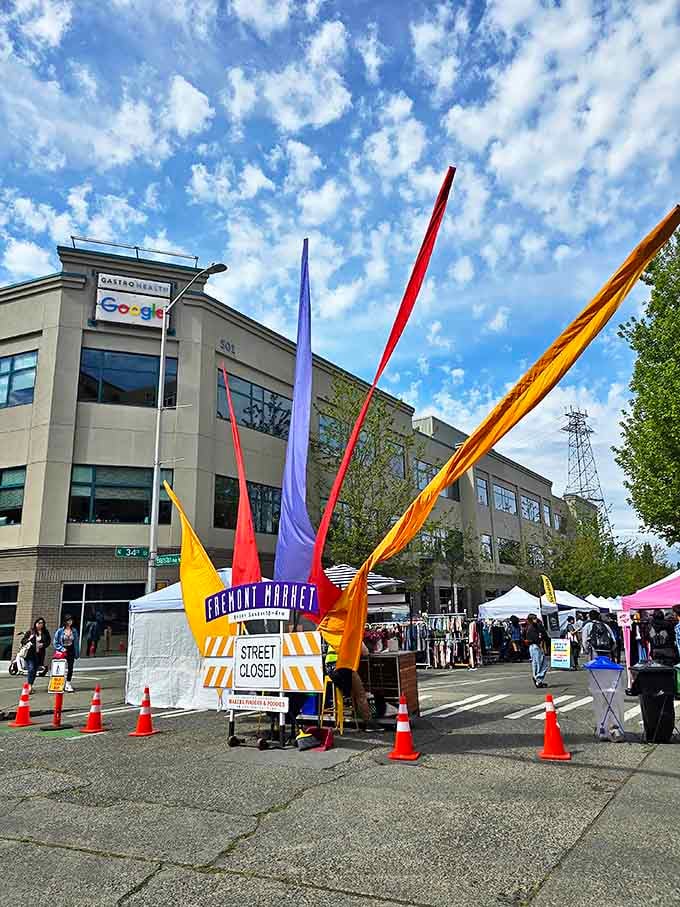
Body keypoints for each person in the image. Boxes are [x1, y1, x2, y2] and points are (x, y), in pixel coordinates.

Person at [20, 617, 51, 693]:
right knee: (31, 669)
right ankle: (29, 686)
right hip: (30, 654)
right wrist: (29, 639)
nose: (40, 624)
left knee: (34, 670)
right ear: (35, 623)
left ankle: (30, 684)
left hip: (39, 654)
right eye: (39, 623)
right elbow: (23, 641)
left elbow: (48, 641)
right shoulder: (31, 632)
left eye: (42, 623)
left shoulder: (45, 632)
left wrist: (43, 645)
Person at [53, 614, 80, 692]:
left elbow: (76, 643)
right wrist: (61, 649)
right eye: (68, 620)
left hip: (71, 650)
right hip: (63, 650)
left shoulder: (74, 630)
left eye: (71, 620)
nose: (70, 622)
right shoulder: (60, 631)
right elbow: (55, 642)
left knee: (70, 668)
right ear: (65, 621)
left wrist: (77, 653)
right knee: (61, 668)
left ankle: (68, 684)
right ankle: (59, 684)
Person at [526, 613, 549, 688]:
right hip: (535, 646)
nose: (536, 619)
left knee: (540, 664)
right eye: (534, 618)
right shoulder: (532, 628)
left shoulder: (536, 626)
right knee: (540, 664)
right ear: (530, 620)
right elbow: (536, 638)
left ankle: (537, 679)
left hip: (536, 646)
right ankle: (538, 679)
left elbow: (544, 635)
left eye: (536, 618)